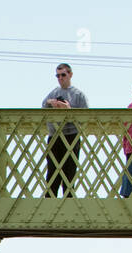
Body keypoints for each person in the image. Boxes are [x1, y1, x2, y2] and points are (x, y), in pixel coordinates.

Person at [42, 63, 89, 197]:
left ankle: (68, 200)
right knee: (52, 171)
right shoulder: (53, 93)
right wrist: (51, 103)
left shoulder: (78, 95)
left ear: (70, 75)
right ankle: (50, 200)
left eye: (63, 75)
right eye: (58, 75)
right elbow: (43, 106)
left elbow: (86, 116)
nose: (60, 78)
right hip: (54, 135)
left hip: (71, 135)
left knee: (70, 171)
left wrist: (69, 110)